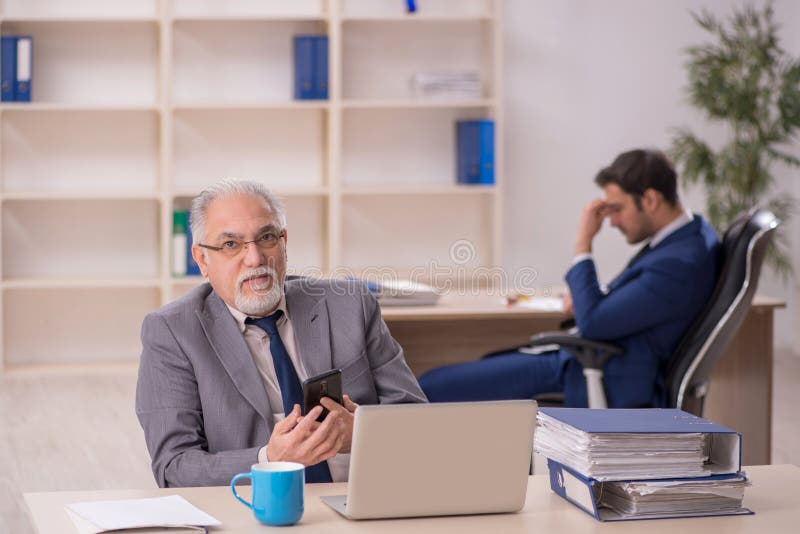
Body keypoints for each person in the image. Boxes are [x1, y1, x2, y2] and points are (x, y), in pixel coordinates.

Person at [136, 179, 426, 488]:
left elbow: (417, 422)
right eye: (231, 244)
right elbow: (174, 467)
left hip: (364, 495)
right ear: (202, 259)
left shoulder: (349, 304)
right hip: (256, 507)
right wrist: (267, 460)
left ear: (284, 242)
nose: (255, 259)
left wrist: (361, 433)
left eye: (266, 237)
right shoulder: (172, 331)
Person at [418, 149, 721, 408]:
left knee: (430, 387)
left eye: (617, 209)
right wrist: (591, 296)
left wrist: (583, 242)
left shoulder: (678, 263)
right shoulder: (687, 239)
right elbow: (633, 301)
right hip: (587, 360)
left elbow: (593, 323)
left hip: (597, 372)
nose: (612, 221)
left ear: (651, 200)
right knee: (473, 368)